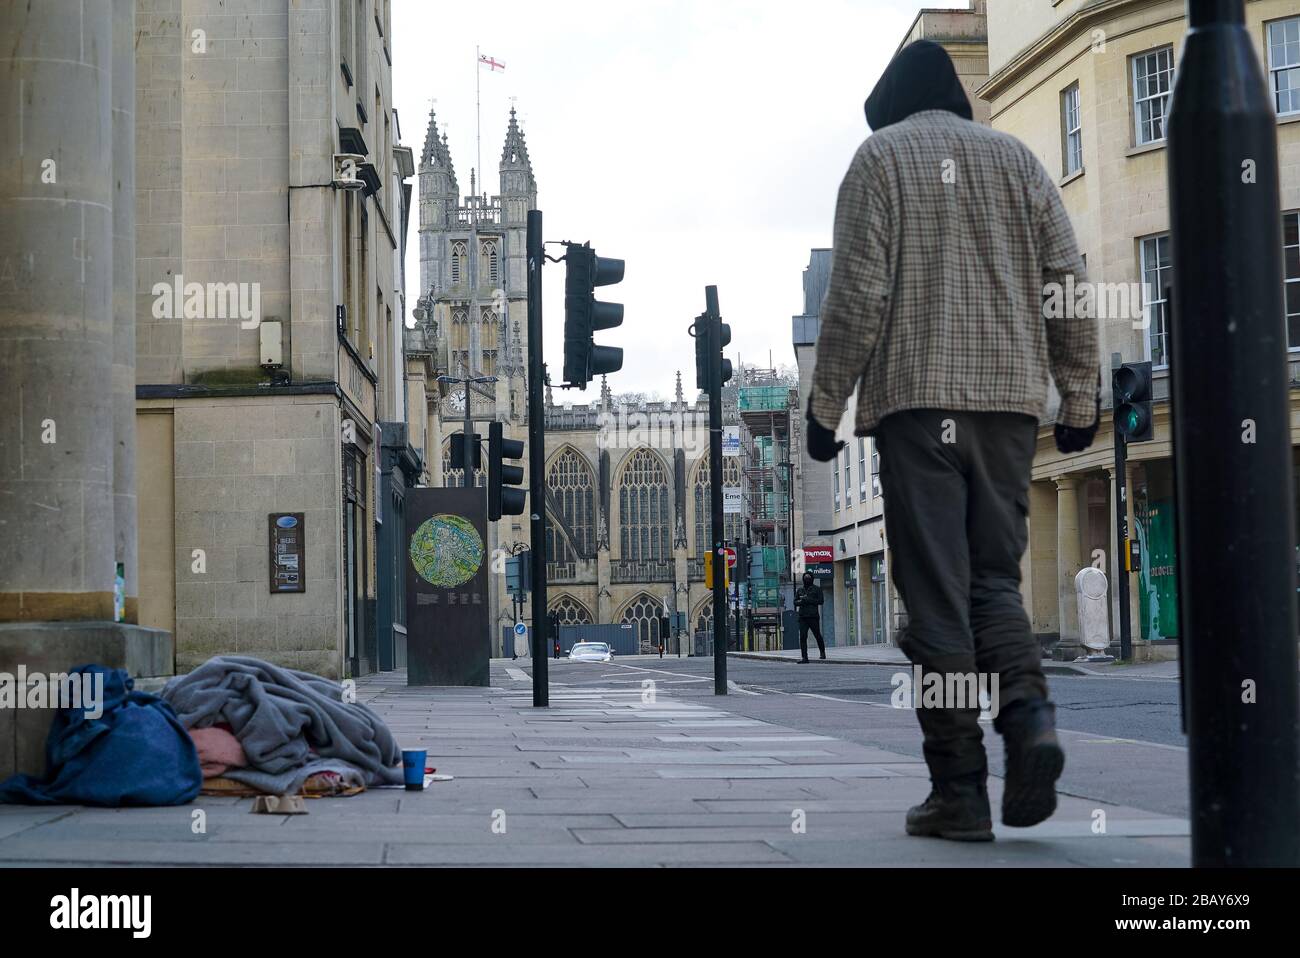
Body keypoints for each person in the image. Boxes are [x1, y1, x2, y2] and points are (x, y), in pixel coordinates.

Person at [805, 40, 1100, 842]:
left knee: (937, 599)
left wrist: (825, 409)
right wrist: (1079, 393)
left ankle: (959, 789)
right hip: (1008, 410)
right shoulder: (1018, 161)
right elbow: (1067, 280)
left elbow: (856, 294)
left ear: (890, 108)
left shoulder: (879, 160)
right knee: (993, 581)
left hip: (917, 409)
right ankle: (1030, 717)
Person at [794, 572, 826, 663]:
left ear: (812, 578)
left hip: (813, 616)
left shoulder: (817, 589)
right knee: (803, 637)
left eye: (808, 577)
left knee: (817, 635)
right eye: (805, 577)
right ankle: (804, 657)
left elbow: (821, 601)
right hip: (803, 617)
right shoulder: (800, 590)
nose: (807, 579)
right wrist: (802, 601)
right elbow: (795, 602)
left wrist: (808, 600)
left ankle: (822, 652)